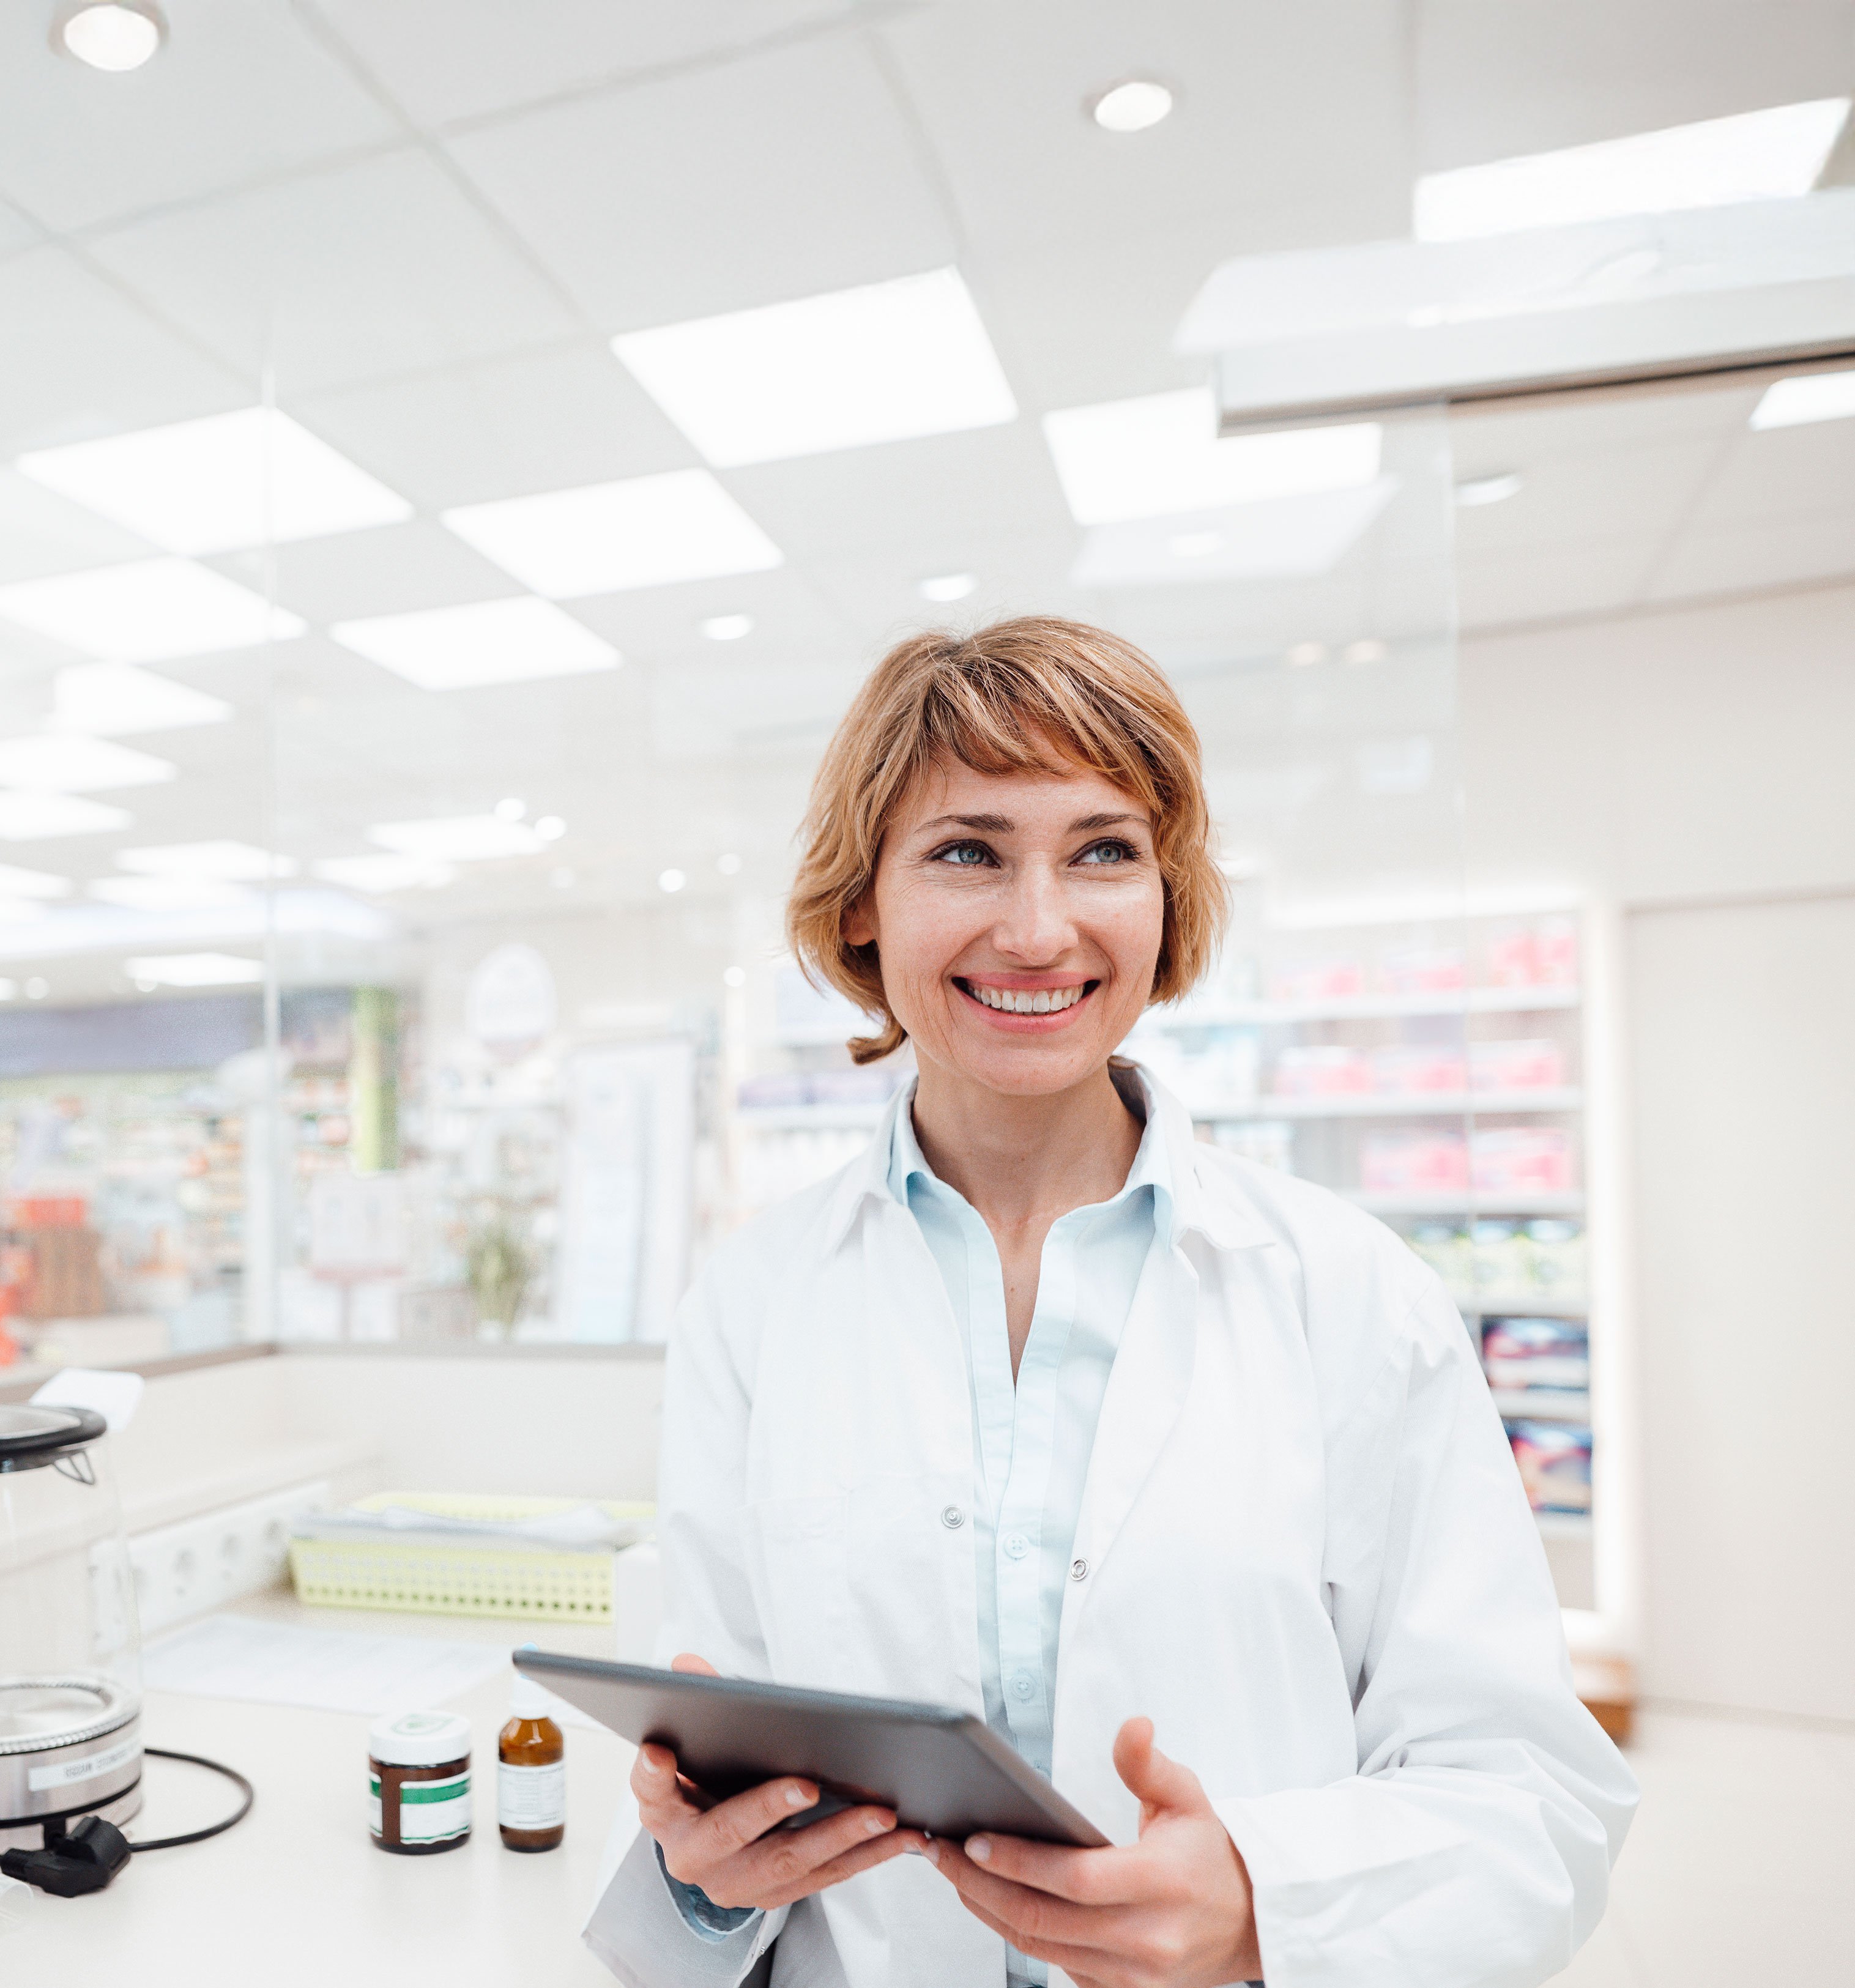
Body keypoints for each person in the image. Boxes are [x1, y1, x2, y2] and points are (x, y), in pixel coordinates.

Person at [582, 619, 1635, 1988]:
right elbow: (718, 1755)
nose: (1038, 926)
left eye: (1103, 850)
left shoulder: (1348, 1292)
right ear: (861, 900)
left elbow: (1532, 1798)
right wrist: (706, 1876)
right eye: (965, 849)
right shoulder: (753, 1302)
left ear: (1165, 897)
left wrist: (1264, 1901)